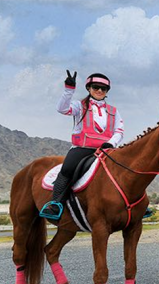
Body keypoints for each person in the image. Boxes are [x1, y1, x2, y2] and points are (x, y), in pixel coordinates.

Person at [40, 71, 124, 221]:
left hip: (107, 149)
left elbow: (119, 130)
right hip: (82, 149)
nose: (99, 91)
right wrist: (68, 90)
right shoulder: (79, 106)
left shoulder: (114, 111)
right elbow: (62, 109)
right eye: (96, 87)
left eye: (103, 89)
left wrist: (111, 143)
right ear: (89, 88)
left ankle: (136, 205)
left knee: (125, 169)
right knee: (67, 169)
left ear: (107, 92)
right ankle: (55, 204)